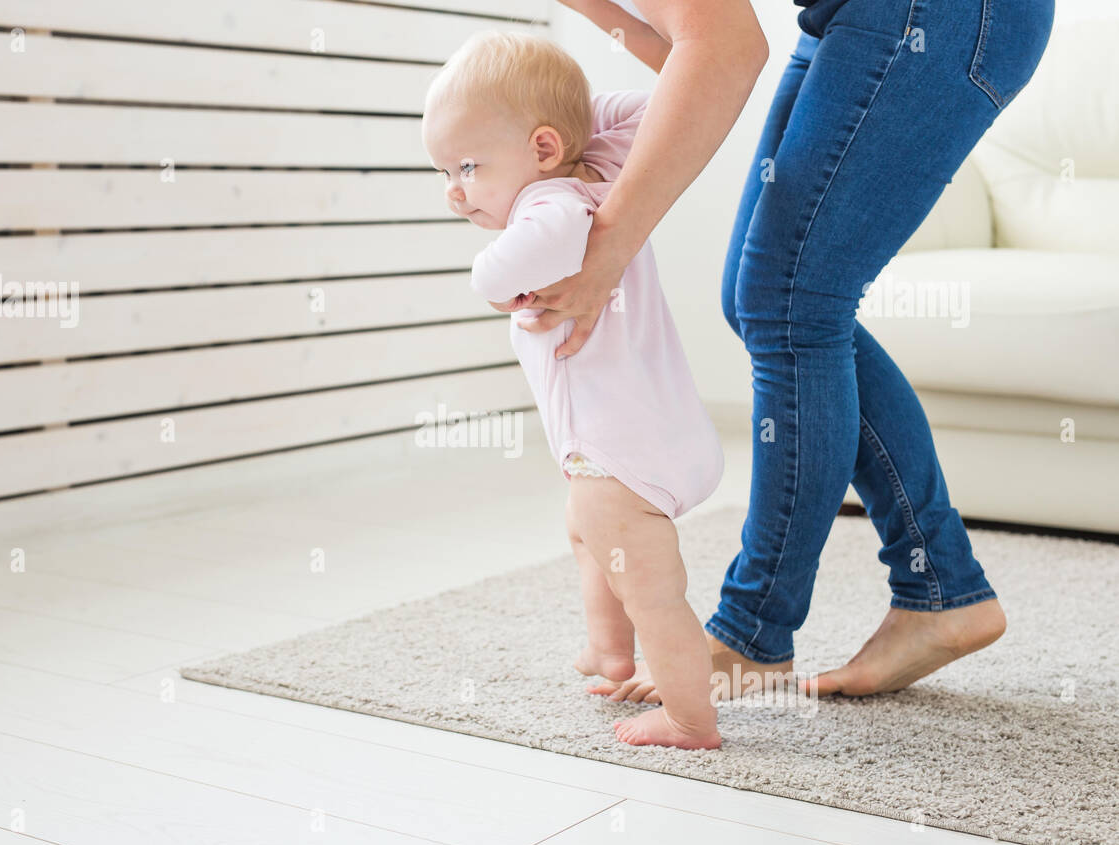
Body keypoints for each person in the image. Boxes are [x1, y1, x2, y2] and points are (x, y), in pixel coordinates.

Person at [521, 0, 1053, 703]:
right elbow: (683, 53)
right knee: (765, 301)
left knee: (792, 305)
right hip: (862, 15)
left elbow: (723, 51)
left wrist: (611, 242)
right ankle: (942, 587)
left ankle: (752, 633)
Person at [422, 30, 726, 748]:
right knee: (587, 534)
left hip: (615, 450)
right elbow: (657, 105)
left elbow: (496, 277)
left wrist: (489, 280)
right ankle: (609, 652)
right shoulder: (606, 168)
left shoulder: (550, 204)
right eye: (442, 171)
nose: (454, 192)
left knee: (653, 590)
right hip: (649, 438)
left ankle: (690, 716)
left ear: (543, 148)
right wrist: (546, 112)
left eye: (467, 165)